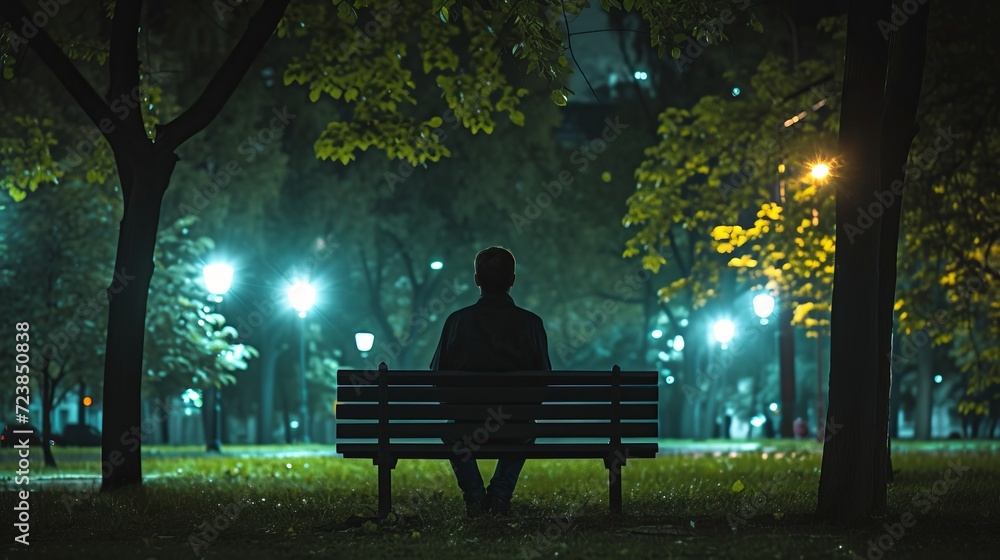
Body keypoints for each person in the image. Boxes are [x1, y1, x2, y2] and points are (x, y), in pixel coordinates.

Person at [430, 246, 551, 518]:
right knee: (526, 429)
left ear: (477, 280)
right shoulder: (531, 324)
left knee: (450, 430)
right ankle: (499, 494)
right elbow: (544, 379)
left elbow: (437, 376)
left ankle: (475, 496)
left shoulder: (457, 322)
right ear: (512, 280)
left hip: (464, 426)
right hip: (515, 425)